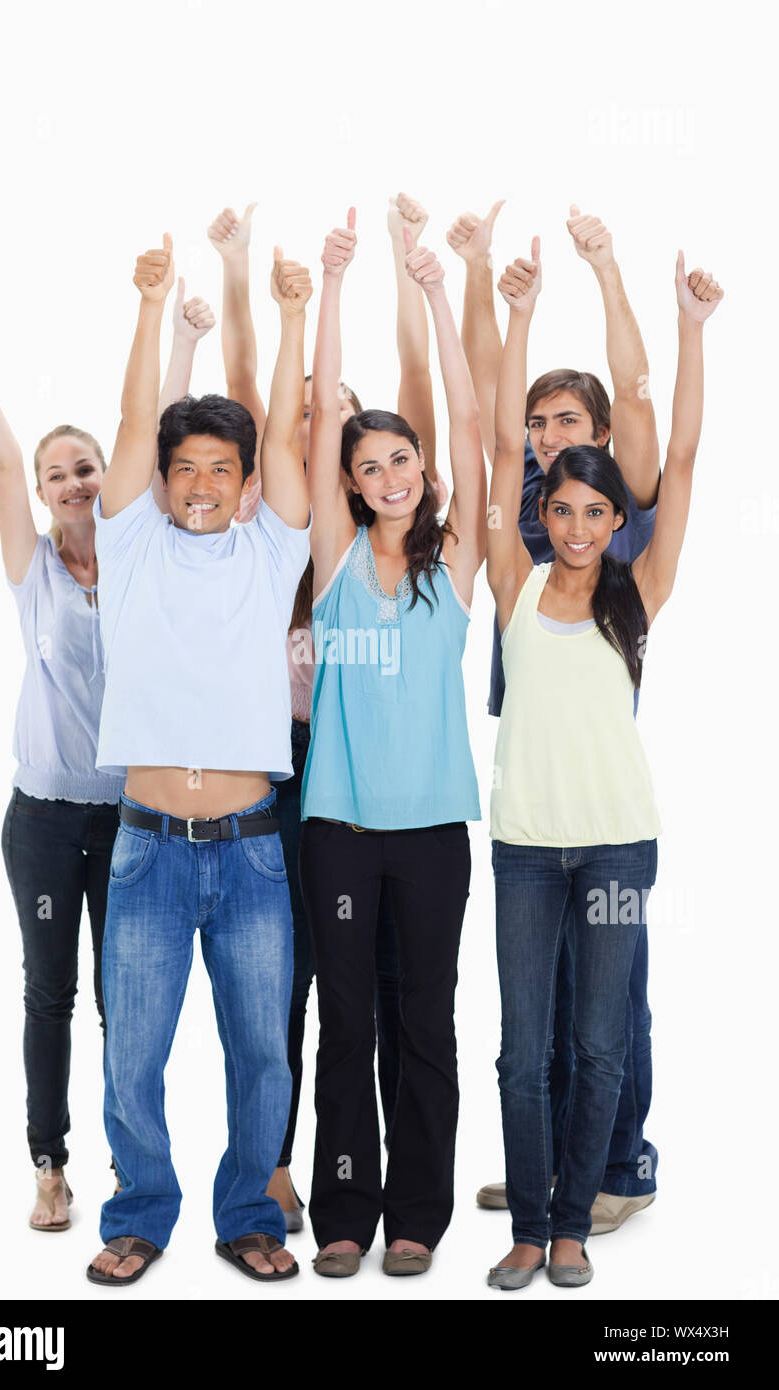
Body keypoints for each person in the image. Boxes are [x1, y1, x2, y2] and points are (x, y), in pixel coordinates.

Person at [484, 236, 722, 1289]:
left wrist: (683, 328)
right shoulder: (514, 586)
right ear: (539, 509)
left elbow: (673, 460)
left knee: (596, 1045)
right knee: (521, 1051)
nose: (575, 523)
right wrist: (519, 313)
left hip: (618, 851)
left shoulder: (637, 587)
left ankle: (576, 1216)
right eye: (559, 506)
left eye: (594, 510)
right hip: (527, 852)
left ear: (612, 520)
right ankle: (530, 1225)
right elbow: (499, 446)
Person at [0, 286, 201, 1233]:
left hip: (130, 820)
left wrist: (184, 334)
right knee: (48, 991)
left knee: (122, 1001)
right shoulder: (33, 570)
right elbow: (2, 460)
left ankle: (137, 1170)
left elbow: (162, 431)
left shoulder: (141, 557)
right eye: (59, 475)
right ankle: (50, 1165)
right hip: (46, 819)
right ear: (45, 494)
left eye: (85, 467)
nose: (73, 483)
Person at [205, 196, 442, 1229]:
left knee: (371, 980)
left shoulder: (373, 544)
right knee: (288, 977)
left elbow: (425, 406)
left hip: (354, 767)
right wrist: (240, 268)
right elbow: (255, 382)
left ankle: (388, 1183)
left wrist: (410, 271)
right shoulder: (267, 518)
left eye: (334, 417)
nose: (316, 427)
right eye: (305, 418)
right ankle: (275, 1161)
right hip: (278, 764)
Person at [86, 233, 311, 1287]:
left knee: (261, 1054)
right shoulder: (129, 545)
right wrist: (148, 306)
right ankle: (138, 1211)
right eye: (188, 469)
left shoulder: (271, 551)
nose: (205, 484)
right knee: (131, 1052)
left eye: (224, 468)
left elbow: (277, 437)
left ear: (246, 479)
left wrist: (292, 310)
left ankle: (246, 1214)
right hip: (145, 851)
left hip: (252, 850)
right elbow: (135, 421)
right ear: (164, 481)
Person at [471, 208, 664, 1233]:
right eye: (539, 425)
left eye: (566, 424)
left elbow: (636, 397)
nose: (549, 440)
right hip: (532, 810)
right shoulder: (527, 530)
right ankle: (552, 1163)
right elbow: (486, 427)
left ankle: (618, 1166)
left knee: (608, 1001)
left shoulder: (618, 530)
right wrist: (478, 285)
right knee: (539, 1002)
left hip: (603, 814)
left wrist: (602, 268)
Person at [300, 211, 485, 1279]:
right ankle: (343, 1211)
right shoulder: (332, 556)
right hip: (338, 832)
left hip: (426, 839)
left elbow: (472, 423)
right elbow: (323, 406)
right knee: (348, 1024)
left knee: (426, 1023)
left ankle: (416, 1212)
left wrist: (429, 292)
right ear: (354, 482)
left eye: (401, 456)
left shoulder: (451, 563)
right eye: (370, 465)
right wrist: (331, 287)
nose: (390, 474)